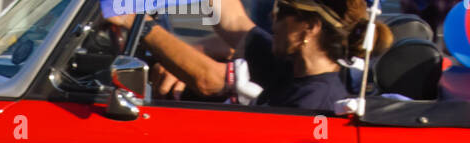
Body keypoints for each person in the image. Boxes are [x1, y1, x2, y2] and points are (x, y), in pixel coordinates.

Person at [110, 0, 393, 111]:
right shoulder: (292, 67)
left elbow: (208, 80)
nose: (273, 17)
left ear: (309, 28)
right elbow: (231, 18)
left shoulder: (310, 103)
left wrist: (137, 21)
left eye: (282, 11)